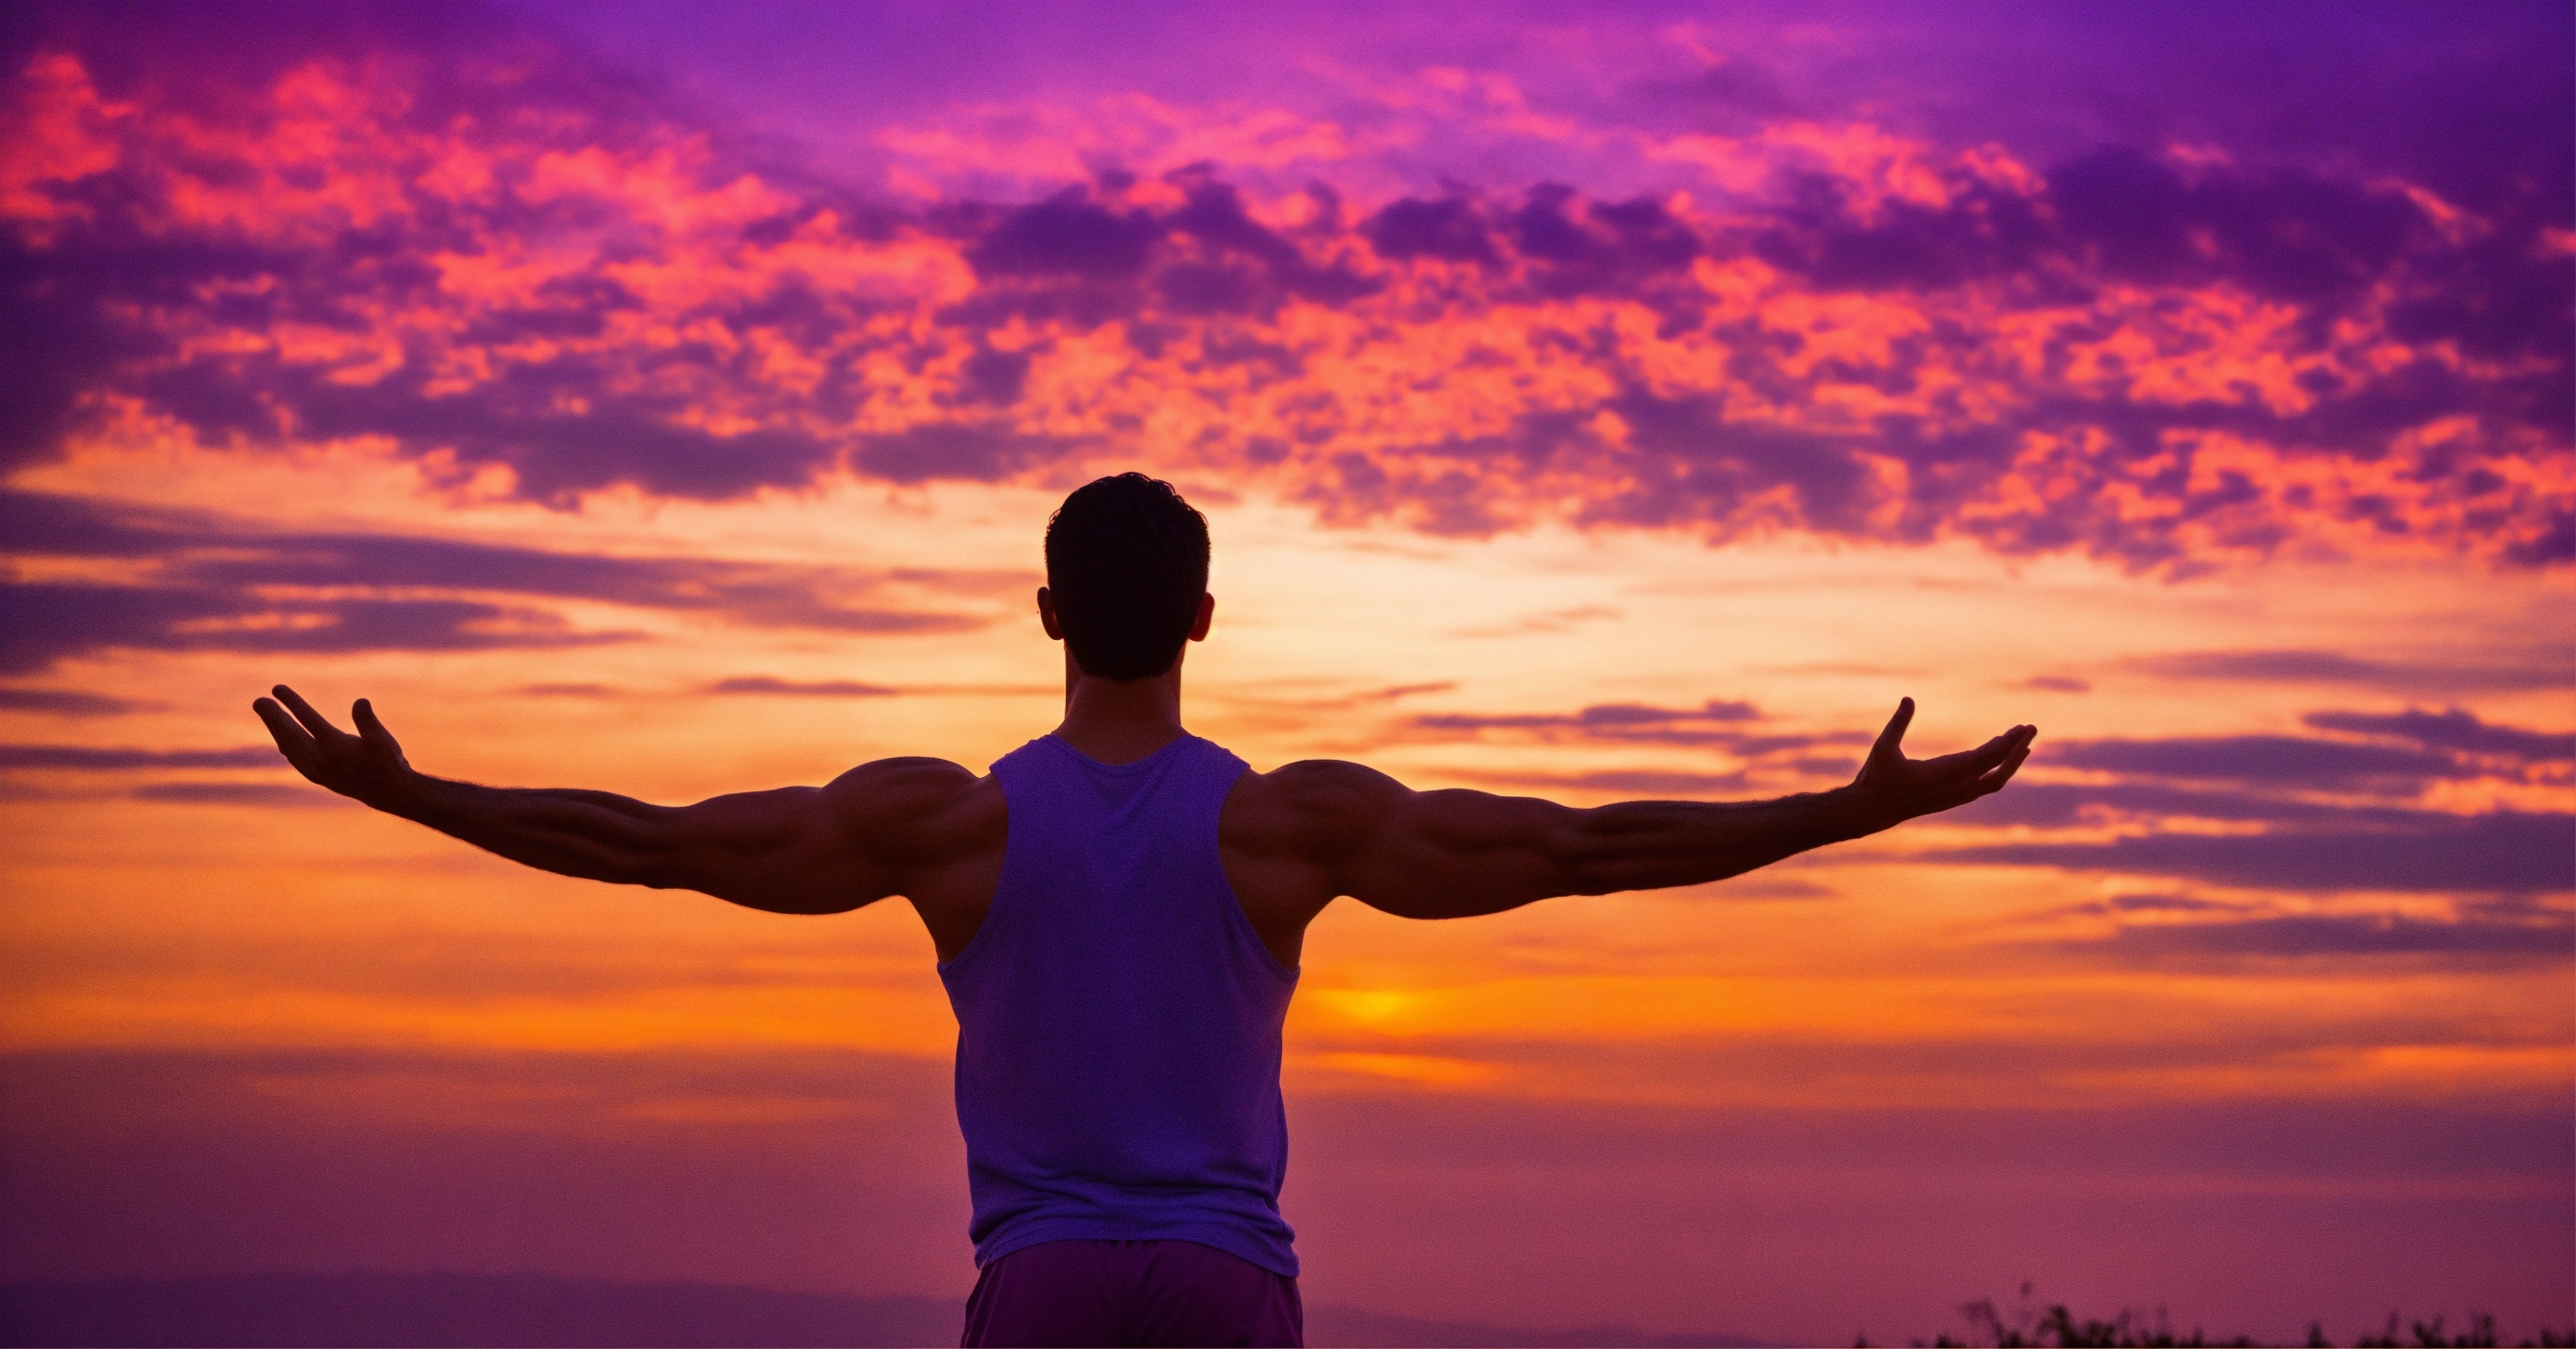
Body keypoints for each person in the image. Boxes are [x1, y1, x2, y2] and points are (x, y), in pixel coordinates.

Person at [254, 471, 2036, 1349]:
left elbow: (654, 841)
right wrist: (1841, 812)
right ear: (1200, 619)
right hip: (1219, 1281)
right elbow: (1578, 846)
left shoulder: (942, 827)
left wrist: (413, 794)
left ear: (1046, 614)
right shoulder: (1283, 829)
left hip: (1032, 1287)